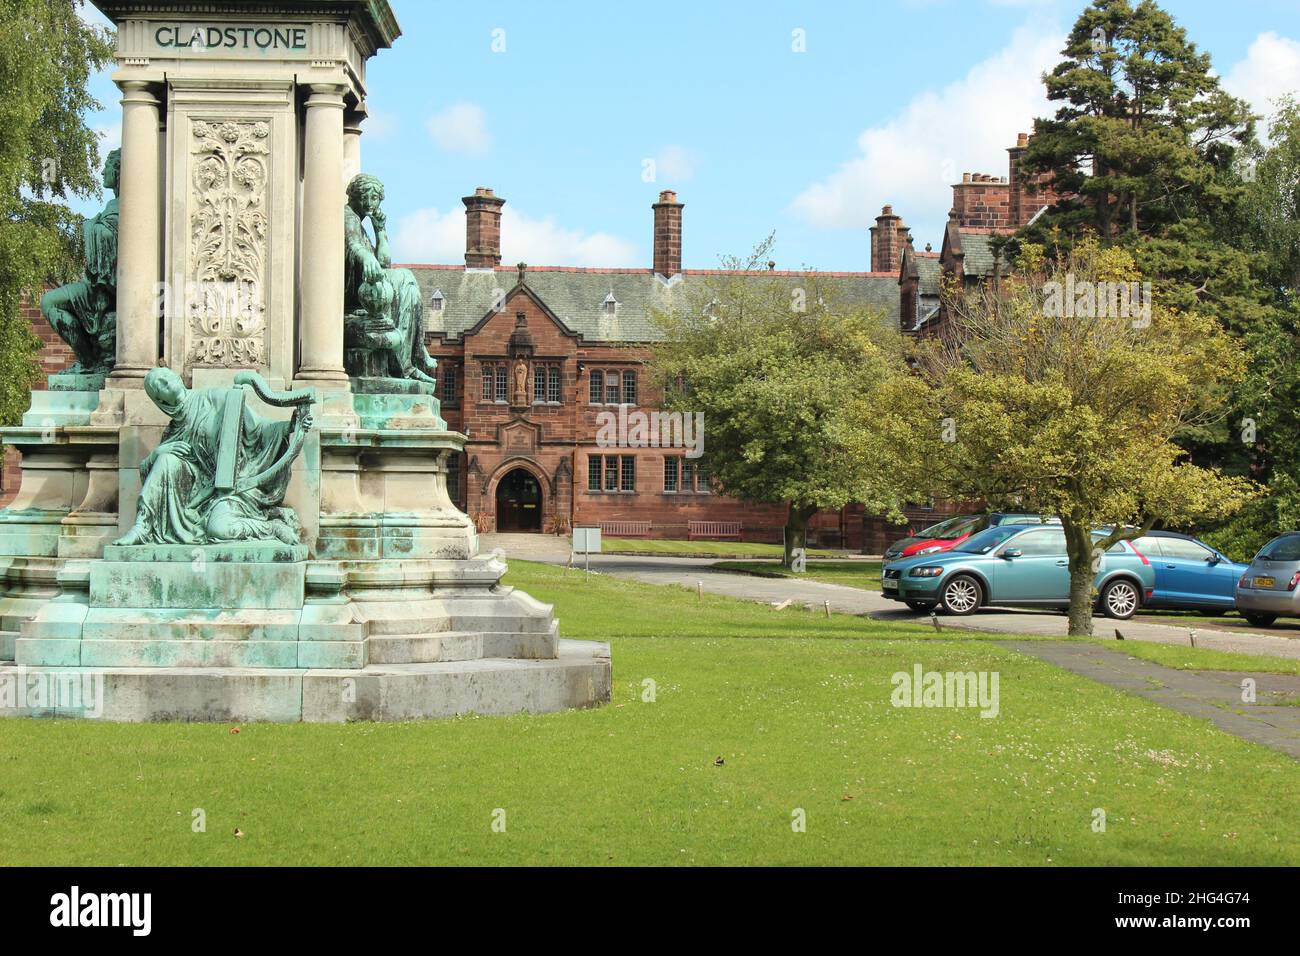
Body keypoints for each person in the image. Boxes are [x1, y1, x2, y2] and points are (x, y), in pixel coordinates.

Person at [115, 368, 311, 547]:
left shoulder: (214, 398)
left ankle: (272, 528)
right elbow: (152, 475)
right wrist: (158, 453)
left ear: (178, 377)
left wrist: (291, 426)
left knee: (219, 529)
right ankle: (142, 526)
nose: (166, 382)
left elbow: (258, 429)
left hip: (232, 490)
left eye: (167, 376)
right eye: (160, 385)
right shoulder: (173, 431)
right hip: (195, 498)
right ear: (161, 400)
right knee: (166, 459)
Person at [343, 173, 437, 384]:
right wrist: (366, 256)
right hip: (354, 296)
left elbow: (385, 262)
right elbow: (353, 245)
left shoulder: (361, 223)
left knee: (407, 280)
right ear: (358, 195)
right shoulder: (347, 215)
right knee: (406, 278)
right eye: (369, 196)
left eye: (376, 198)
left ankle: (412, 356)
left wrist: (380, 230)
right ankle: (409, 362)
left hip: (367, 293)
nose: (372, 203)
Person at [41, 149, 119, 373]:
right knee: (49, 303)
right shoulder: (114, 205)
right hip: (96, 281)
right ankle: (88, 362)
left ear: (119, 170)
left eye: (107, 166)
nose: (103, 171)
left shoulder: (133, 204)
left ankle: (91, 363)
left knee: (50, 302)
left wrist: (94, 227)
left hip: (111, 284)